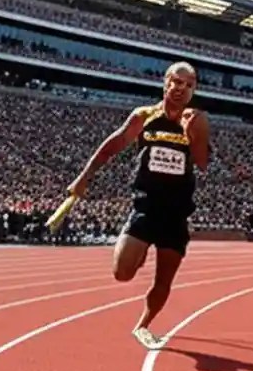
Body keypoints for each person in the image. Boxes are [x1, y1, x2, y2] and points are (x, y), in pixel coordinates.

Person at [68, 61, 210, 348]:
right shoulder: (144, 116)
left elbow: (203, 163)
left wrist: (193, 133)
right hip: (146, 206)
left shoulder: (198, 119)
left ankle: (143, 324)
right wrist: (83, 178)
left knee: (164, 280)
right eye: (176, 82)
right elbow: (112, 145)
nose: (180, 88)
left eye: (188, 84)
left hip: (177, 213)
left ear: (194, 89)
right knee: (122, 272)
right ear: (165, 83)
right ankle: (138, 246)